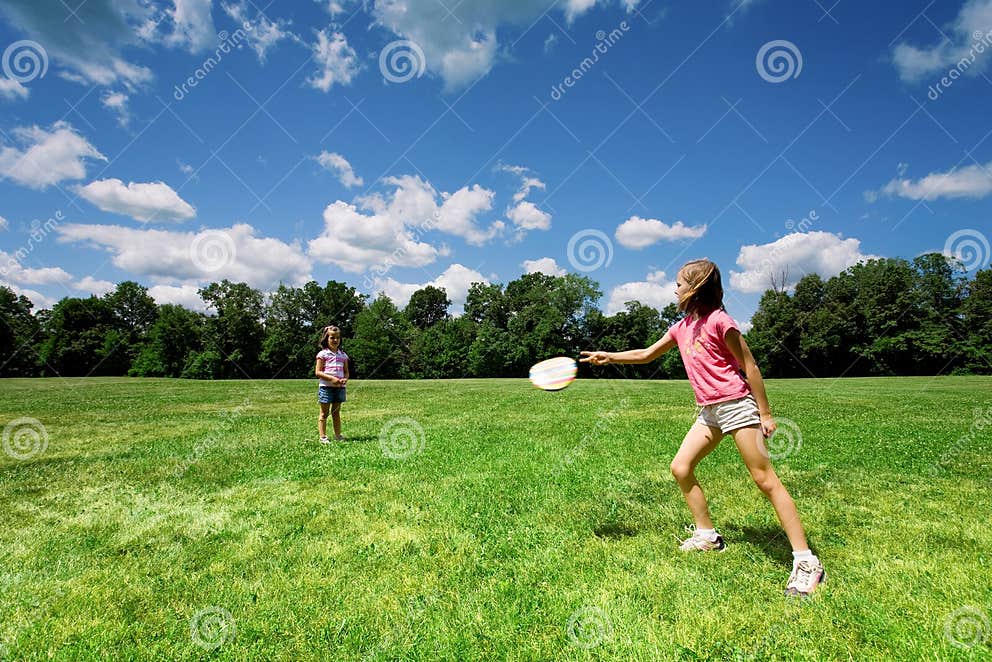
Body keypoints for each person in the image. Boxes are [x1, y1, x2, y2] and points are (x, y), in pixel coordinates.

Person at [580, 259, 825, 597]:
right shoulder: (682, 327)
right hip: (709, 411)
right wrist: (610, 356)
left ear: (694, 289)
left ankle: (806, 560)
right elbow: (648, 354)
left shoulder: (720, 322)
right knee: (681, 467)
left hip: (737, 405)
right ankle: (708, 536)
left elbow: (750, 366)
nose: (675, 288)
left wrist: (766, 414)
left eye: (679, 283)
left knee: (764, 479)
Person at [314, 325, 349, 443]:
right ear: (326, 339)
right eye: (332, 338)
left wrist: (345, 379)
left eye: (338, 338)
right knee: (324, 413)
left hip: (339, 388)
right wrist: (331, 379)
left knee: (336, 413)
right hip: (326, 388)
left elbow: (346, 372)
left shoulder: (343, 355)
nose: (335, 340)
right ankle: (323, 437)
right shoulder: (322, 354)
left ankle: (338, 435)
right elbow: (318, 372)